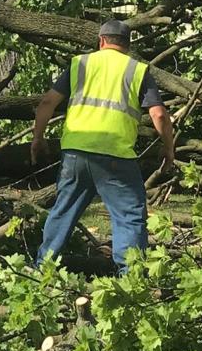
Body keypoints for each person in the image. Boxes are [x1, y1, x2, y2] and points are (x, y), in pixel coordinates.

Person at [31, 19, 174, 273]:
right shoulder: (137, 70)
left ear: (101, 41)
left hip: (75, 152)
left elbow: (47, 103)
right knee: (129, 216)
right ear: (128, 46)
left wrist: (38, 138)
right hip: (115, 157)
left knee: (63, 211)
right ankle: (131, 279)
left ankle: (43, 268)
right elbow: (159, 115)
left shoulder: (80, 64)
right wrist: (168, 148)